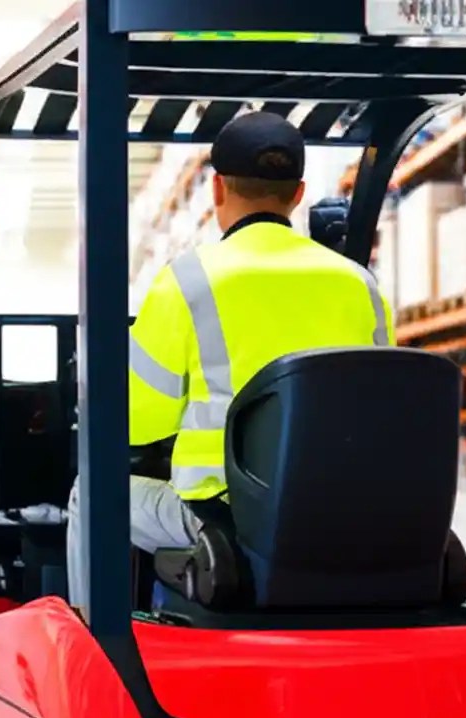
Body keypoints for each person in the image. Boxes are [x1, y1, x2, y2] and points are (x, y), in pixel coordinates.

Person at [65, 111, 396, 610]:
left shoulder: (188, 281)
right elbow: (379, 402)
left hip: (230, 517)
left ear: (217, 189)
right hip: (345, 512)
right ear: (298, 194)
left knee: (86, 492)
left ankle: (90, 639)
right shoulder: (360, 285)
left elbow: (133, 423)